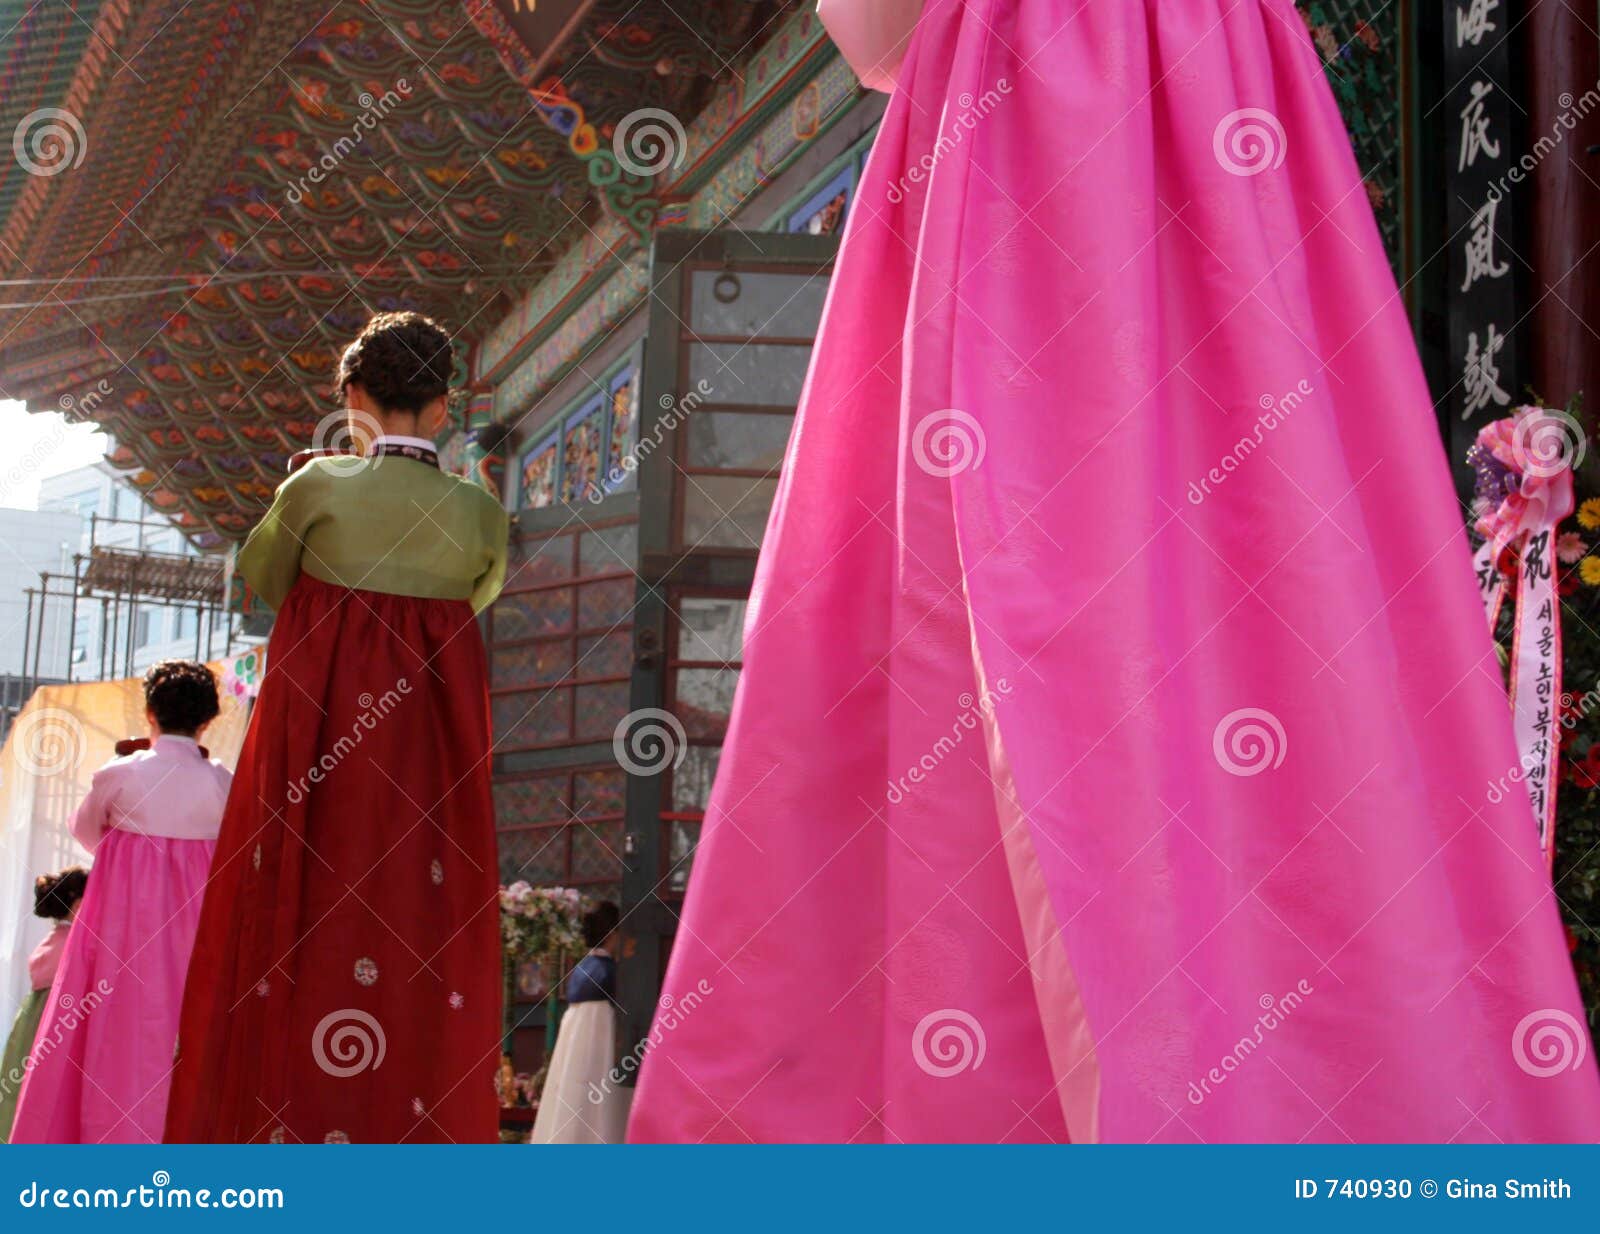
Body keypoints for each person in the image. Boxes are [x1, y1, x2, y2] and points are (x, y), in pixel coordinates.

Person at [628, 0, 1600, 1142]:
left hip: (1012, 109)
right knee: (1287, 569)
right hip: (1233, 104)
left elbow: (873, 33)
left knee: (978, 586)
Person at [164, 311, 510, 1144]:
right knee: (418, 923)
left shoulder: (316, 488)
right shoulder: (478, 512)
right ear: (444, 406)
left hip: (316, 750)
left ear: (353, 396)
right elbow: (479, 592)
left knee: (301, 912)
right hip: (426, 762)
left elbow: (268, 578)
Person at [10, 663, 230, 1144]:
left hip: (118, 930)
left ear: (149, 711)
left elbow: (86, 832)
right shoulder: (220, 782)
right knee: (181, 1032)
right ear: (208, 720)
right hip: (192, 932)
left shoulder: (119, 775)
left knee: (107, 1032)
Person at [0, 867, 88, 1141]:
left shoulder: (52, 942)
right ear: (78, 904)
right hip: (55, 1029)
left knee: (21, 1099)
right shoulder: (75, 945)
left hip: (31, 1028)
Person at [530, 902, 625, 1144]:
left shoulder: (581, 969)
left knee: (574, 1094)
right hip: (601, 1041)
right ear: (613, 934)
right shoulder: (609, 971)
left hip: (576, 1046)